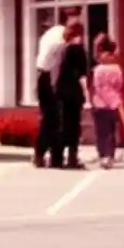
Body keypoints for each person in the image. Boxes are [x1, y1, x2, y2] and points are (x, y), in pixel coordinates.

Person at [34, 17, 82, 168]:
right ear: (70, 30)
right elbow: (53, 67)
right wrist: (56, 89)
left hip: (51, 77)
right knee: (50, 119)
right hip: (47, 77)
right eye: (73, 35)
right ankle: (40, 154)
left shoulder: (57, 32)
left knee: (57, 121)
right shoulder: (57, 43)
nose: (73, 39)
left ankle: (56, 157)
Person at [56, 21, 90, 169]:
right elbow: (82, 75)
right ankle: (72, 157)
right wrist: (86, 95)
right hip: (74, 92)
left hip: (62, 91)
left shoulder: (63, 50)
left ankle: (58, 157)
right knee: (74, 125)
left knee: (64, 124)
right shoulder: (78, 50)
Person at [90, 36, 124, 168]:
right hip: (114, 103)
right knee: (111, 130)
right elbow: (119, 85)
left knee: (101, 131)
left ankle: (102, 154)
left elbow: (97, 87)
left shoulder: (98, 70)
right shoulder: (117, 69)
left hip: (100, 104)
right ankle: (110, 155)